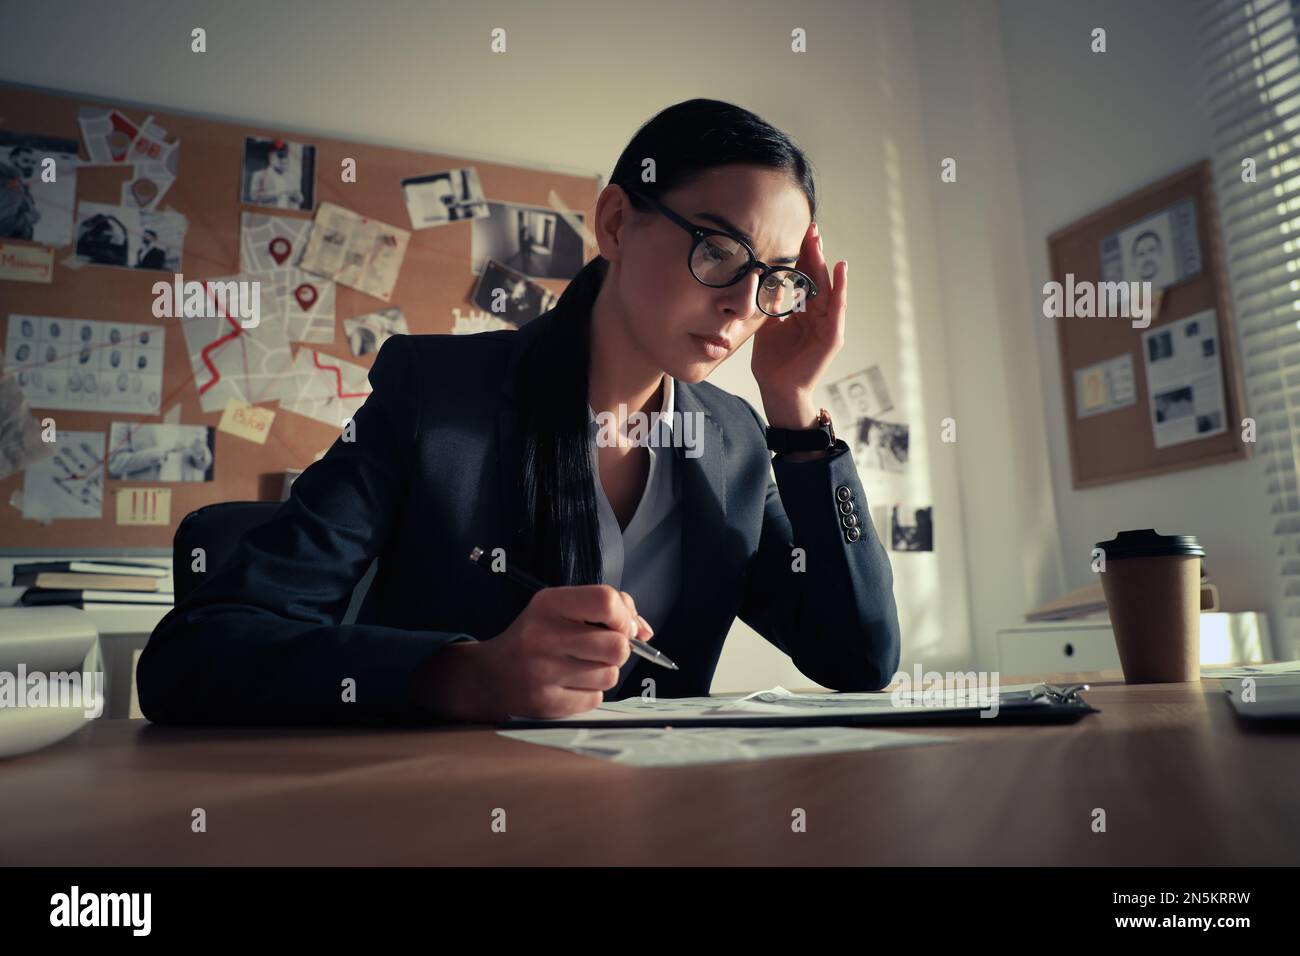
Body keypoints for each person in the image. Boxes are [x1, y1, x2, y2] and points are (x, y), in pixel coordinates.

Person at [138, 98, 901, 727]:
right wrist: (460, 675)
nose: (742, 302)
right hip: (447, 817)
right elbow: (196, 653)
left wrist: (796, 413)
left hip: (666, 821)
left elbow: (856, 658)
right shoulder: (435, 399)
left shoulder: (735, 437)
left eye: (773, 279)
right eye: (721, 251)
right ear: (613, 223)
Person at [0, 145, 40, 240]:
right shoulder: (11, 186)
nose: (30, 166)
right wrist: (30, 218)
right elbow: (4, 224)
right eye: (25, 161)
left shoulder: (16, 182)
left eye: (33, 162)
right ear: (13, 159)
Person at [248, 141, 303, 208]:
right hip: (268, 215)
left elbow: (300, 199)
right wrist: (277, 194)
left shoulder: (291, 177)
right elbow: (254, 196)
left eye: (285, 157)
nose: (283, 160)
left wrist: (296, 197)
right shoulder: (259, 175)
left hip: (286, 216)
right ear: (271, 158)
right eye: (279, 157)